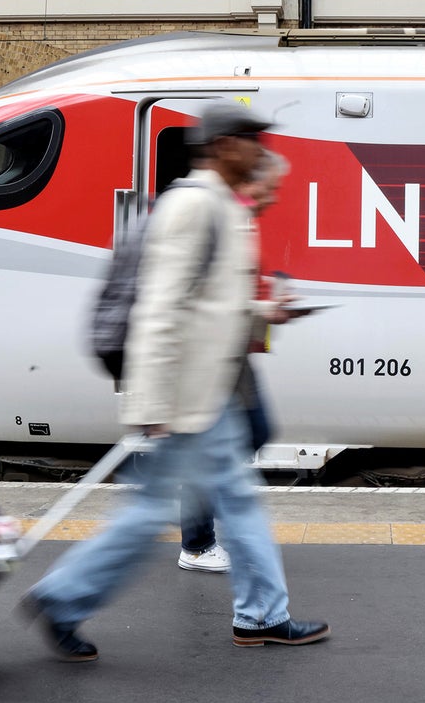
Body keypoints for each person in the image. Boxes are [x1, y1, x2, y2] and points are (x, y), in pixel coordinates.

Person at [21, 101, 330, 661]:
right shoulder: (191, 208)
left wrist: (267, 311)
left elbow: (213, 305)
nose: (263, 150)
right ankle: (62, 598)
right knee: (150, 515)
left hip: (209, 396)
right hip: (189, 401)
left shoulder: (222, 209)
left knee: (233, 499)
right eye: (252, 139)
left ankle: (261, 615)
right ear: (222, 146)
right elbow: (161, 310)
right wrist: (152, 402)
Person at [177, 150, 293, 574]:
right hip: (211, 354)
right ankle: (199, 541)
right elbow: (208, 295)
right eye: (271, 187)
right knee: (241, 438)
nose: (275, 197)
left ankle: (203, 531)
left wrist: (268, 304)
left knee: (242, 438)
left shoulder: (239, 217)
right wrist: (263, 308)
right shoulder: (221, 215)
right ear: (248, 180)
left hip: (230, 352)